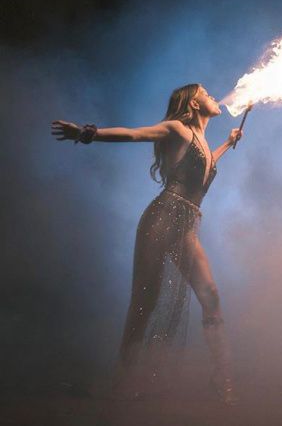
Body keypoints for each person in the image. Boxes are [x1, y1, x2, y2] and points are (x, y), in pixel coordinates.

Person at [51, 84, 242, 405]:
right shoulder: (177, 129)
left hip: (187, 224)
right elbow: (134, 134)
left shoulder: (204, 142)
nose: (214, 96)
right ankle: (121, 385)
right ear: (194, 103)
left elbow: (204, 165)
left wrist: (227, 144)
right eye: (206, 93)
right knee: (144, 304)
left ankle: (223, 379)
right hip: (162, 218)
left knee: (210, 294)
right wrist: (86, 133)